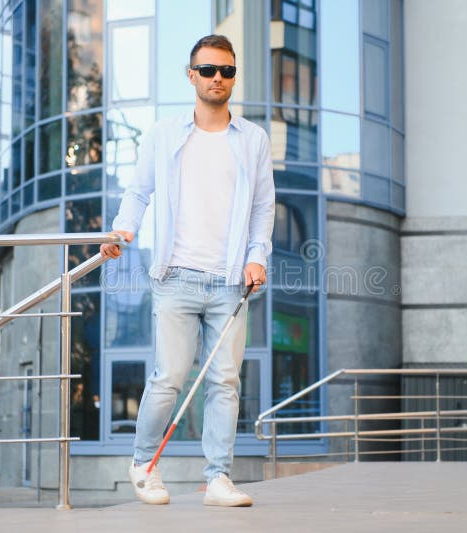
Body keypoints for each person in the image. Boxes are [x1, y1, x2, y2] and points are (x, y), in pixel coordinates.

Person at [100, 34, 275, 507]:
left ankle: (218, 478)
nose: (218, 78)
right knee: (169, 379)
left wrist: (257, 256)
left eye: (227, 71)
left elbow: (263, 208)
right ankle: (143, 464)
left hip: (229, 280)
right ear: (191, 74)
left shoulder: (254, 139)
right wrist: (122, 232)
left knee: (225, 381)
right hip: (176, 276)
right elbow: (138, 192)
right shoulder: (164, 134)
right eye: (209, 70)